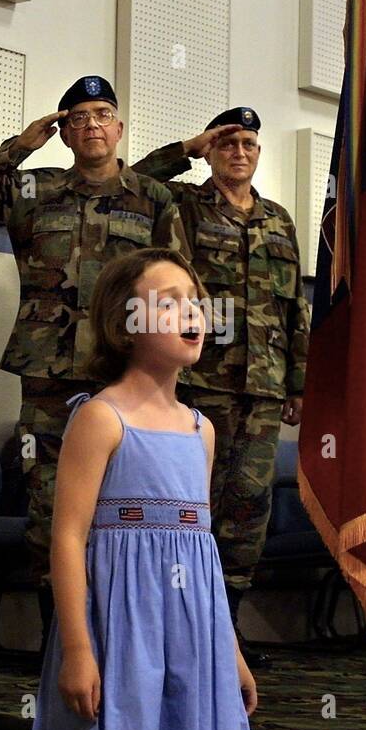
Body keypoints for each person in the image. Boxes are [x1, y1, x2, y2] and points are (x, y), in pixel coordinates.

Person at [0, 76, 190, 652]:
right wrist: (23, 144)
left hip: (126, 372)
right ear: (66, 132)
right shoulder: (35, 188)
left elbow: (175, 290)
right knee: (51, 505)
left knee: (130, 502)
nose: (92, 126)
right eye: (78, 118)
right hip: (49, 373)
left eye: (102, 114)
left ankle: (125, 641)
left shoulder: (154, 199)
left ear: (119, 128)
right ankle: (64, 643)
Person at [29, 247, 256, 730]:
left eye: (196, 303)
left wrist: (231, 651)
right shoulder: (101, 418)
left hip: (195, 633)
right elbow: (67, 537)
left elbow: (202, 555)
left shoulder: (202, 430)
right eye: (170, 303)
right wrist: (79, 649)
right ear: (125, 324)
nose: (193, 313)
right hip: (121, 632)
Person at [132, 107, 310, 668]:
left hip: (263, 385)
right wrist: (187, 145)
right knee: (192, 505)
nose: (239, 152)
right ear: (211, 151)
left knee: (248, 509)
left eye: (249, 144)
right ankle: (179, 629)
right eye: (227, 143)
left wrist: (299, 381)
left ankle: (223, 632)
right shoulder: (183, 204)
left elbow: (293, 309)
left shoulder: (279, 219)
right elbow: (134, 183)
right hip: (200, 380)